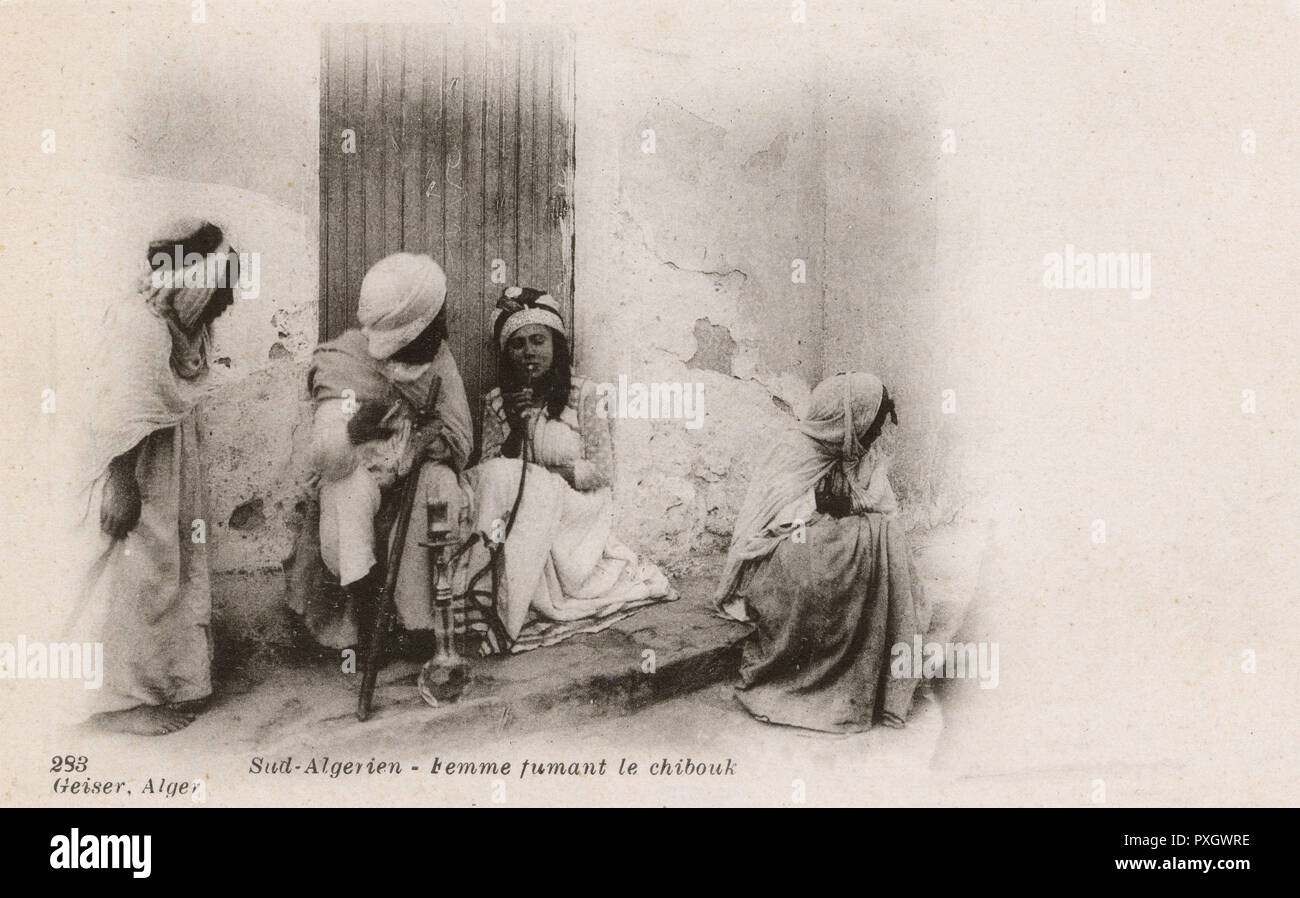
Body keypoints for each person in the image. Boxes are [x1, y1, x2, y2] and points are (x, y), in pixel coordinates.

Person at [66, 219, 239, 735]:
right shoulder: (138, 325)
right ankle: (115, 704)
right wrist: (120, 483)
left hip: (167, 460)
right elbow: (114, 412)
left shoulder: (184, 322)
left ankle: (169, 681)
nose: (225, 303)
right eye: (220, 291)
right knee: (132, 571)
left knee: (167, 567)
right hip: (131, 464)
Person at [715, 371, 931, 733]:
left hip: (836, 557)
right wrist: (818, 502)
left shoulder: (860, 452)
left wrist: (851, 518)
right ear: (847, 421)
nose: (875, 435)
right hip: (783, 556)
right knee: (825, 551)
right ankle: (819, 677)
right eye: (871, 426)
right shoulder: (792, 450)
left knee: (883, 538)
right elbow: (765, 528)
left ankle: (879, 682)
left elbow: (885, 510)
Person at [463, 287, 672, 645]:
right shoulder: (497, 401)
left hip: (577, 507)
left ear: (556, 346)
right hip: (520, 504)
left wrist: (548, 479)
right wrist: (516, 425)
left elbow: (602, 471)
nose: (529, 351)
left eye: (538, 341)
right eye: (518, 344)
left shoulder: (585, 393)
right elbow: (489, 472)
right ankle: (487, 593)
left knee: (527, 490)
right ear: (507, 354)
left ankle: (512, 611)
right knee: (495, 478)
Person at [293, 252, 473, 649]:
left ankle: (418, 624)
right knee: (346, 492)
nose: (444, 324)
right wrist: (356, 429)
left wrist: (426, 445)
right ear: (414, 325)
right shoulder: (347, 361)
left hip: (415, 468)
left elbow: (460, 440)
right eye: (436, 317)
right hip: (360, 472)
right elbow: (326, 456)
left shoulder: (438, 360)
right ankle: (365, 605)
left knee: (439, 483)